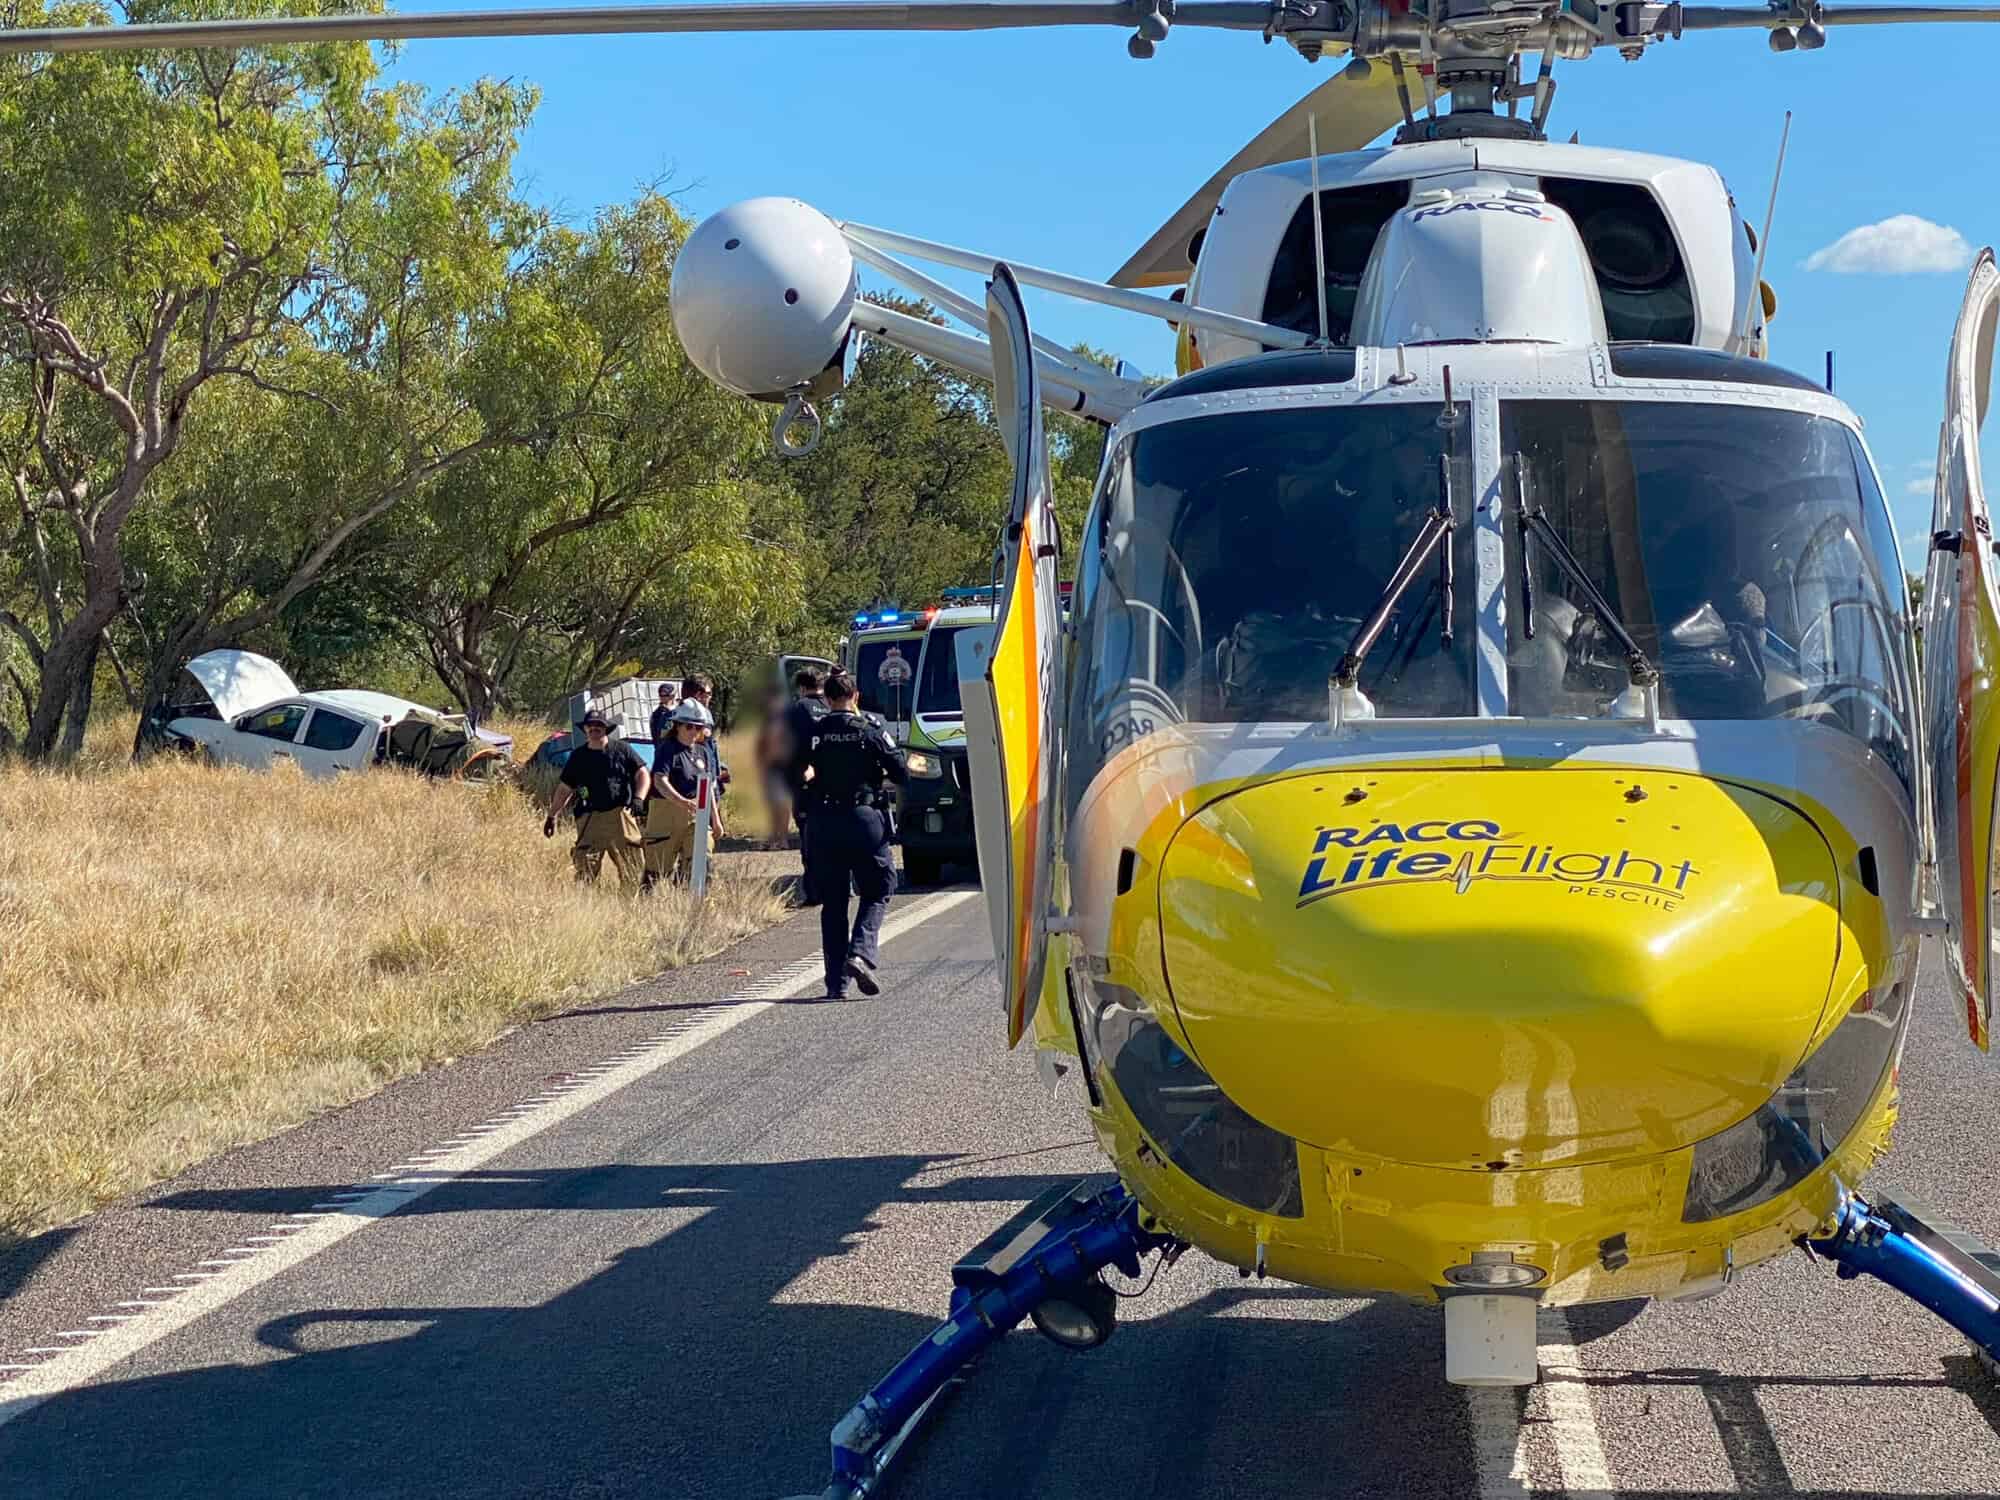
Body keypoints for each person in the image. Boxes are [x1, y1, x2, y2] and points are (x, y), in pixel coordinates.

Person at [796, 669, 906, 999]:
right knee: (878, 889)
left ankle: (836, 985)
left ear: (827, 699)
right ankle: (859, 954)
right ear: (855, 696)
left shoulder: (813, 732)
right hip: (863, 820)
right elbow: (901, 772)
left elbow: (792, 773)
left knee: (833, 905)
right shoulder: (870, 729)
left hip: (823, 823)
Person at [545, 709, 649, 888]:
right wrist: (552, 816)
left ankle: (631, 900)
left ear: (606, 728)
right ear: (585, 729)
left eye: (599, 725)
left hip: (620, 815)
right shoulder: (579, 756)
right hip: (590, 817)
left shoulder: (622, 749)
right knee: (585, 868)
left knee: (632, 867)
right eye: (590, 725)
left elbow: (643, 773)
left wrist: (639, 798)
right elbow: (564, 789)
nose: (594, 728)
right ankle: (587, 902)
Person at [643, 700, 718, 887]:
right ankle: (649, 900)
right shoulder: (667, 748)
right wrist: (681, 801)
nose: (694, 731)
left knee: (701, 860)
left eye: (698, 727)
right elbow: (660, 780)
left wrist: (715, 819)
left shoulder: (703, 752)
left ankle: (693, 899)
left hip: (696, 813)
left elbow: (708, 786)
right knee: (658, 868)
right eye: (689, 726)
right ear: (677, 726)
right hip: (666, 813)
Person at [780, 667, 831, 902]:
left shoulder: (795, 710)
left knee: (809, 839)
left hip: (805, 785)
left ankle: (814, 892)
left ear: (801, 688)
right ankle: (844, 886)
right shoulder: (833, 704)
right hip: (834, 784)